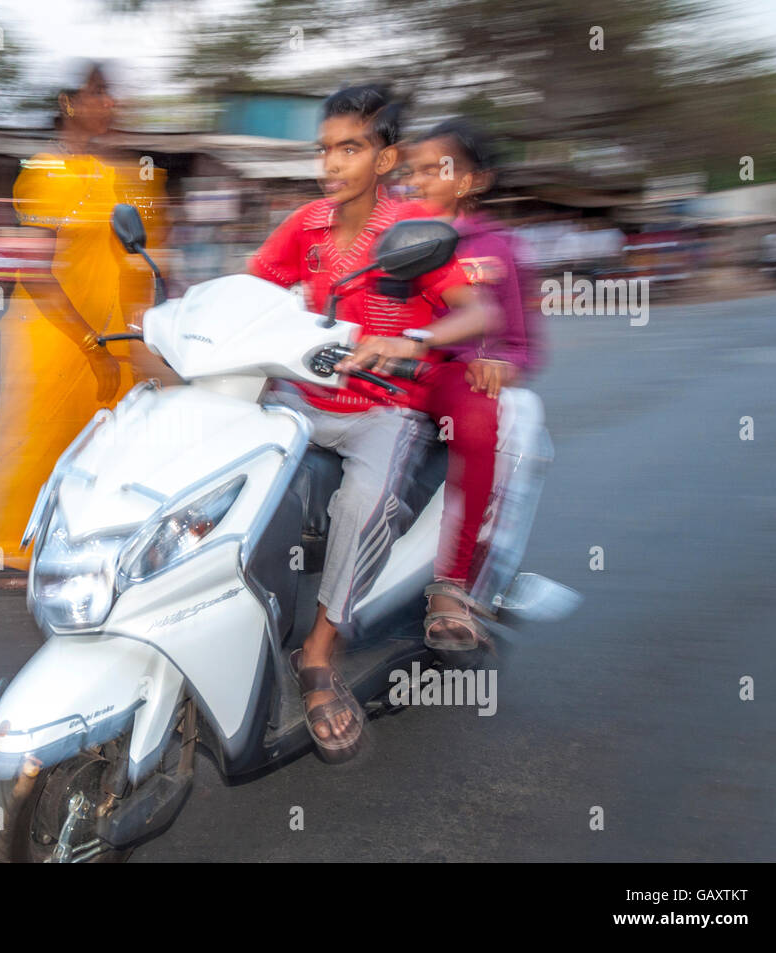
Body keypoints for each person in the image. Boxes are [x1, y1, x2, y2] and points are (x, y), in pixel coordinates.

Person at [249, 85, 497, 761]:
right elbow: (251, 290)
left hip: (381, 408)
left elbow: (475, 314)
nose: (331, 162)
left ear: (387, 158)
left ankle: (319, 652)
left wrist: (410, 343)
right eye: (325, 147)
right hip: (302, 395)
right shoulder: (303, 225)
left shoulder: (413, 229)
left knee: (368, 500)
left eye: (350, 147)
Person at [0, 62, 169, 588]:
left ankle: (76, 543)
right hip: (54, 332)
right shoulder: (46, 171)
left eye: (111, 94)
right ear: (67, 101)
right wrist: (89, 345)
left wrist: (139, 328)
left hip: (108, 331)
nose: (109, 103)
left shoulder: (106, 172)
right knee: (41, 438)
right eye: (97, 92)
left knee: (101, 442)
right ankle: (4, 550)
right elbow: (39, 272)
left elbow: (128, 253)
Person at [401, 119, 542, 649]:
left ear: (473, 181)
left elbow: (525, 346)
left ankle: (452, 583)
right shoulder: (392, 229)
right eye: (412, 169)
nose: (418, 180)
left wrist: (501, 364)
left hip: (451, 376)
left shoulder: (500, 249)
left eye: (435, 168)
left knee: (481, 421)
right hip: (384, 367)